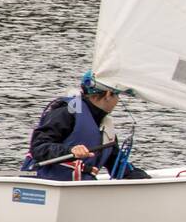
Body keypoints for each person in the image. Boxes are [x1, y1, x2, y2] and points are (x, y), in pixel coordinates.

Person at [19, 73, 150, 180]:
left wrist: (144, 179)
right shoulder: (67, 112)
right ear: (109, 94)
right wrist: (70, 151)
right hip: (44, 186)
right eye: (117, 95)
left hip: (79, 190)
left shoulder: (103, 125)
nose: (117, 101)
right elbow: (38, 147)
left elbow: (117, 166)